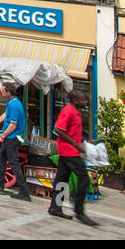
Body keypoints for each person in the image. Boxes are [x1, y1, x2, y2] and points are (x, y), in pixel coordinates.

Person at [49, 89, 98, 226]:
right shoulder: (68, 111)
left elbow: (73, 131)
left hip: (69, 150)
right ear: (75, 100)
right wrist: (77, 145)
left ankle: (55, 207)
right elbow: (58, 129)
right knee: (83, 179)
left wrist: (84, 142)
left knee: (62, 179)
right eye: (82, 99)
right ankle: (80, 212)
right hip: (68, 151)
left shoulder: (77, 112)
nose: (85, 102)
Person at [0, 83, 31, 200]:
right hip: (10, 137)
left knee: (13, 163)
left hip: (13, 138)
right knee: (1, 158)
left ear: (9, 92)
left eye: (3, 90)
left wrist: (2, 135)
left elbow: (13, 124)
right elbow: (6, 115)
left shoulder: (15, 105)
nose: (2, 92)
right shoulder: (11, 103)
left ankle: (24, 191)